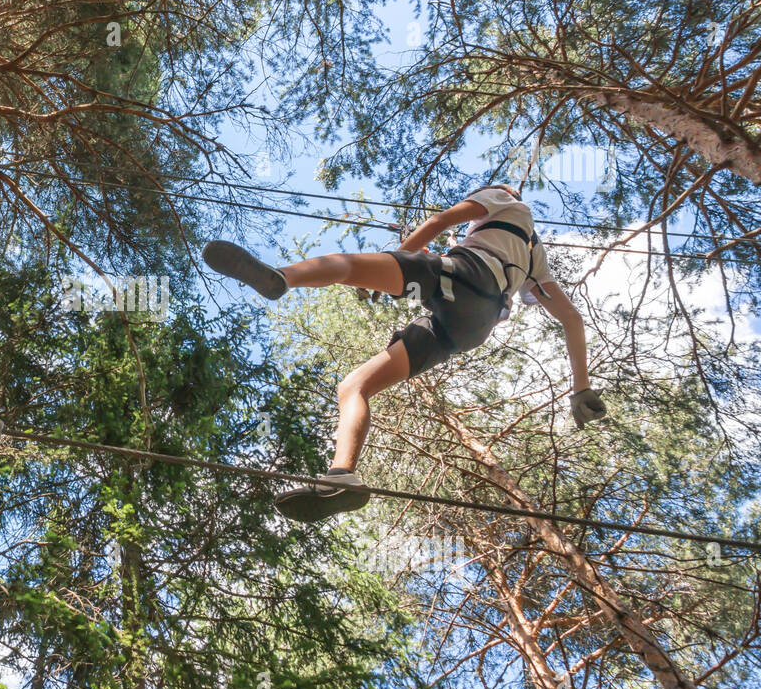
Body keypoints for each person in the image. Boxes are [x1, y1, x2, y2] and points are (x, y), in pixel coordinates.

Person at [203, 184, 607, 522]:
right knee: (355, 386)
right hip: (470, 326)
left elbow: (438, 222)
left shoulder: (503, 199)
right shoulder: (535, 255)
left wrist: (396, 261)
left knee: (346, 267)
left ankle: (282, 278)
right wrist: (580, 389)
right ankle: (341, 476)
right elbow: (570, 318)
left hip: (464, 276)